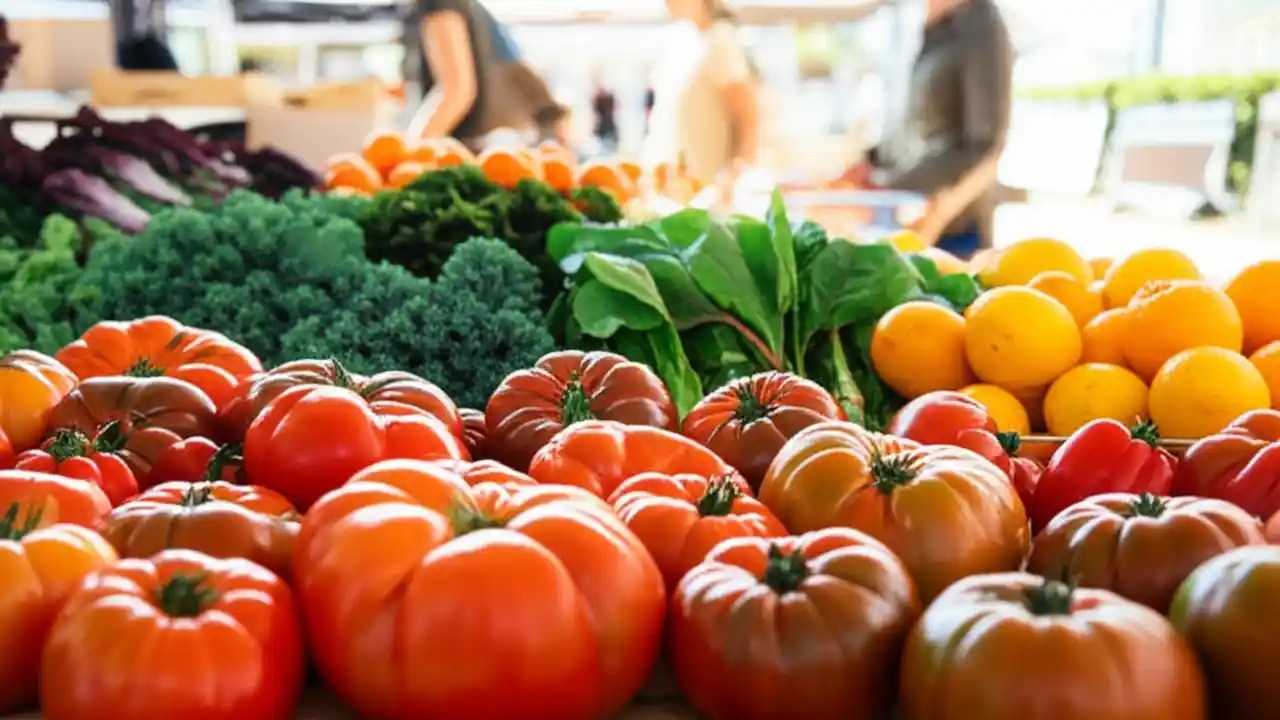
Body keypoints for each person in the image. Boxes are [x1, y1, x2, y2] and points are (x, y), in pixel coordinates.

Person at [844, 0, 1012, 257]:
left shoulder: (981, 26)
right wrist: (868, 164)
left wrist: (932, 210)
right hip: (901, 220)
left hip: (951, 232)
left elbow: (986, 145)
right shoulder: (920, 24)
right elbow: (908, 130)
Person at [405, 0, 567, 147]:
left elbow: (457, 90)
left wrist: (413, 149)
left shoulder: (439, 4)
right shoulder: (471, 7)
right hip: (501, 143)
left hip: (472, 145)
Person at [645, 0, 758, 188]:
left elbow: (746, 116)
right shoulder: (684, 39)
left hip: (709, 189)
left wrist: (733, 176)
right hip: (680, 188)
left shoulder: (721, 39)